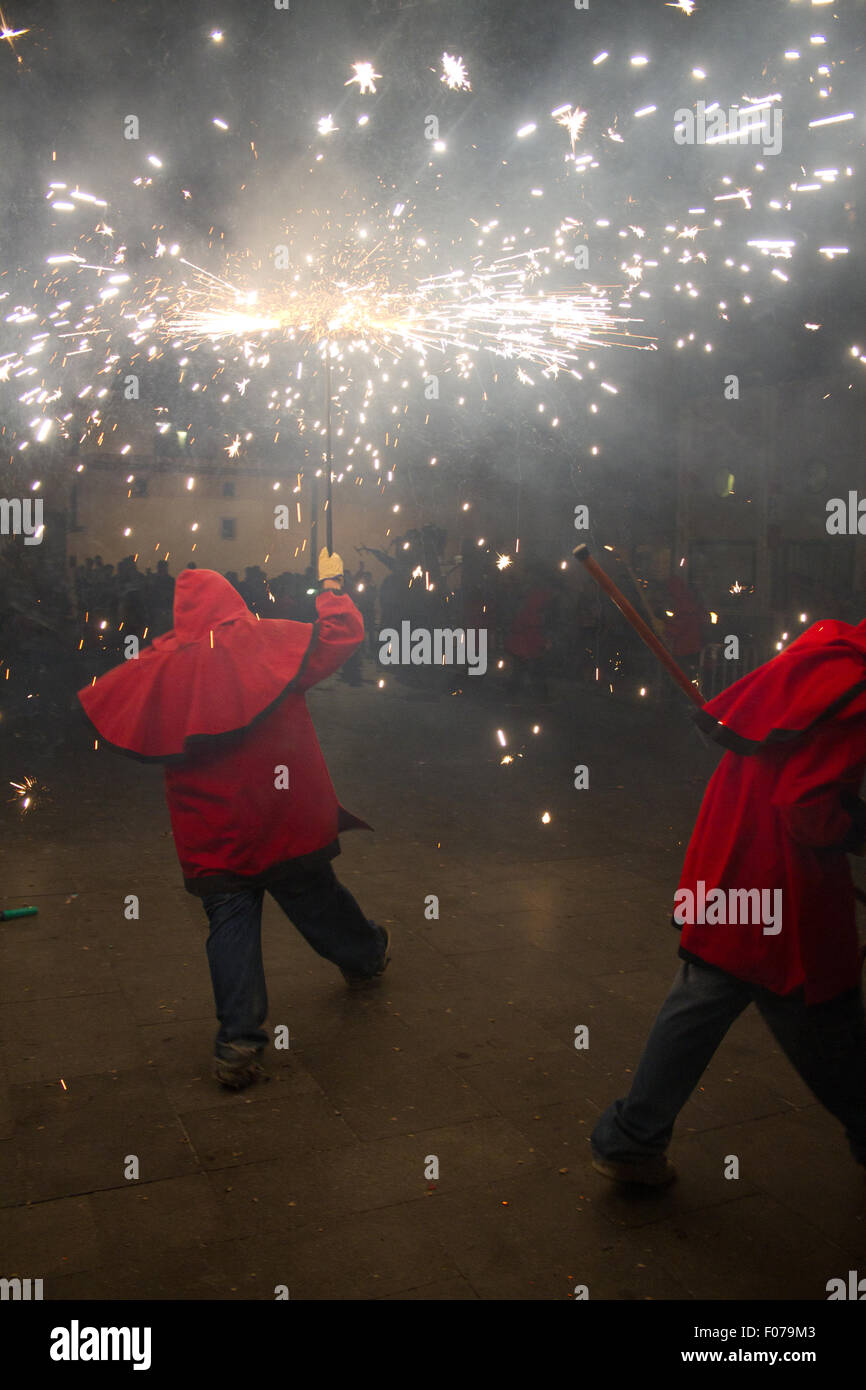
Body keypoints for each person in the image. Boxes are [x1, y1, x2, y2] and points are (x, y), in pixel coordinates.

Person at [78, 548, 390, 1091]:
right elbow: (341, 634)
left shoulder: (159, 666)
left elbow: (111, 710)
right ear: (233, 600)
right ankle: (364, 957)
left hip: (213, 833)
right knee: (317, 900)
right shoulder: (267, 641)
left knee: (231, 926)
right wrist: (332, 583)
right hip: (283, 817)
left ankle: (238, 1044)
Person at [591, 617, 866, 1185]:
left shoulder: (828, 648)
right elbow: (808, 806)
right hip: (779, 879)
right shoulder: (859, 686)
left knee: (706, 991)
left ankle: (632, 1140)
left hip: (732, 849)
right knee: (821, 1011)